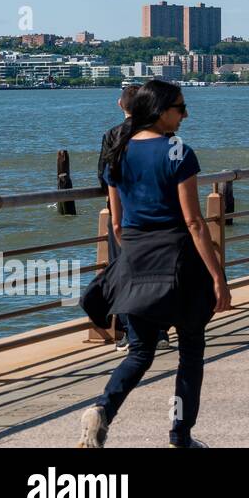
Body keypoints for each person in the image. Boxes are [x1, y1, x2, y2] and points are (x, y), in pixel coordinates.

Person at [78, 79, 230, 448]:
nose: (185, 114)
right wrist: (217, 277)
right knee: (190, 352)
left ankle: (102, 408)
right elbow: (194, 222)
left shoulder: (118, 150)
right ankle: (180, 435)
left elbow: (116, 223)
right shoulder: (178, 151)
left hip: (134, 261)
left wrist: (131, 260)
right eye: (180, 107)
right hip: (180, 264)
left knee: (140, 352)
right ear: (161, 111)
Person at [96, 84, 139, 350]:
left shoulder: (112, 134)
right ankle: (157, 330)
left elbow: (103, 175)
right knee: (153, 271)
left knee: (122, 270)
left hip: (121, 213)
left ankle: (127, 331)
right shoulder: (160, 134)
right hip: (154, 214)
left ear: (119, 104)